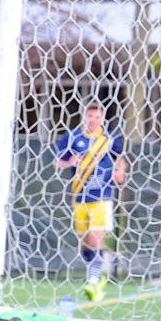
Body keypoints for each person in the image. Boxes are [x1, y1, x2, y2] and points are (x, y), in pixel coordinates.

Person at [55, 101, 126, 302]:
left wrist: (120, 172)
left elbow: (120, 157)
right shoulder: (73, 137)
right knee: (86, 242)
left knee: (96, 237)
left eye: (97, 117)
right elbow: (58, 161)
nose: (93, 120)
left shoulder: (109, 139)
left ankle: (94, 280)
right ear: (85, 117)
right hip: (79, 196)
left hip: (102, 195)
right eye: (90, 116)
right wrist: (69, 162)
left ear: (102, 118)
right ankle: (94, 272)